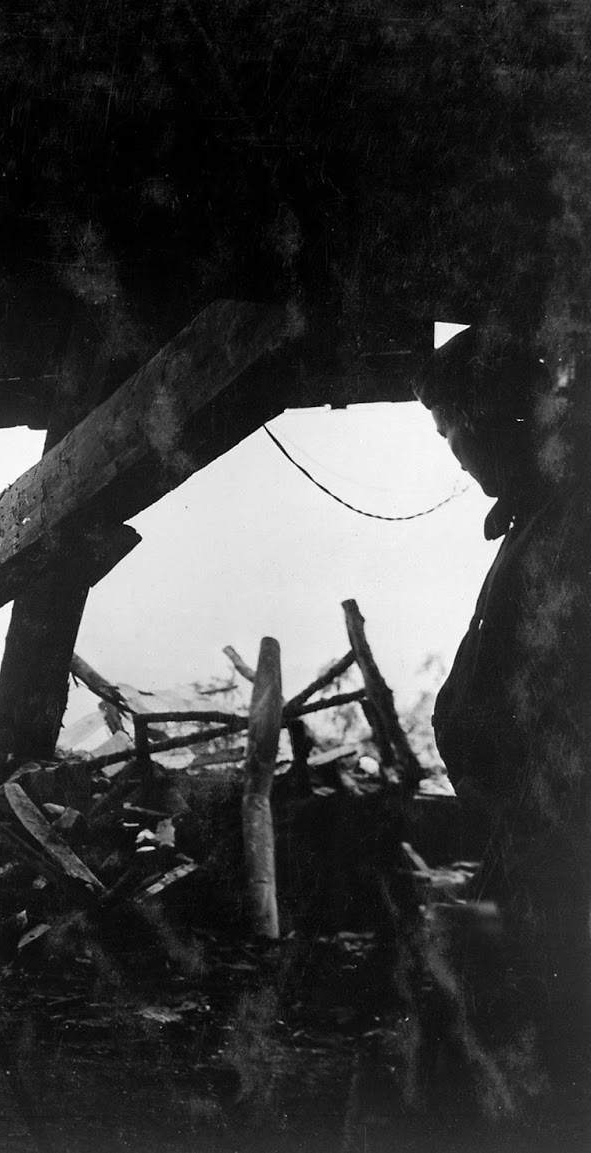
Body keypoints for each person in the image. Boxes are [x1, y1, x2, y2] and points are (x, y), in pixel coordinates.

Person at [411, 329, 591, 1136]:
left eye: (456, 431)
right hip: (525, 838)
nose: (454, 454)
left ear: (497, 420)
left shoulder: (569, 524)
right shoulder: (539, 516)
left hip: (554, 843)